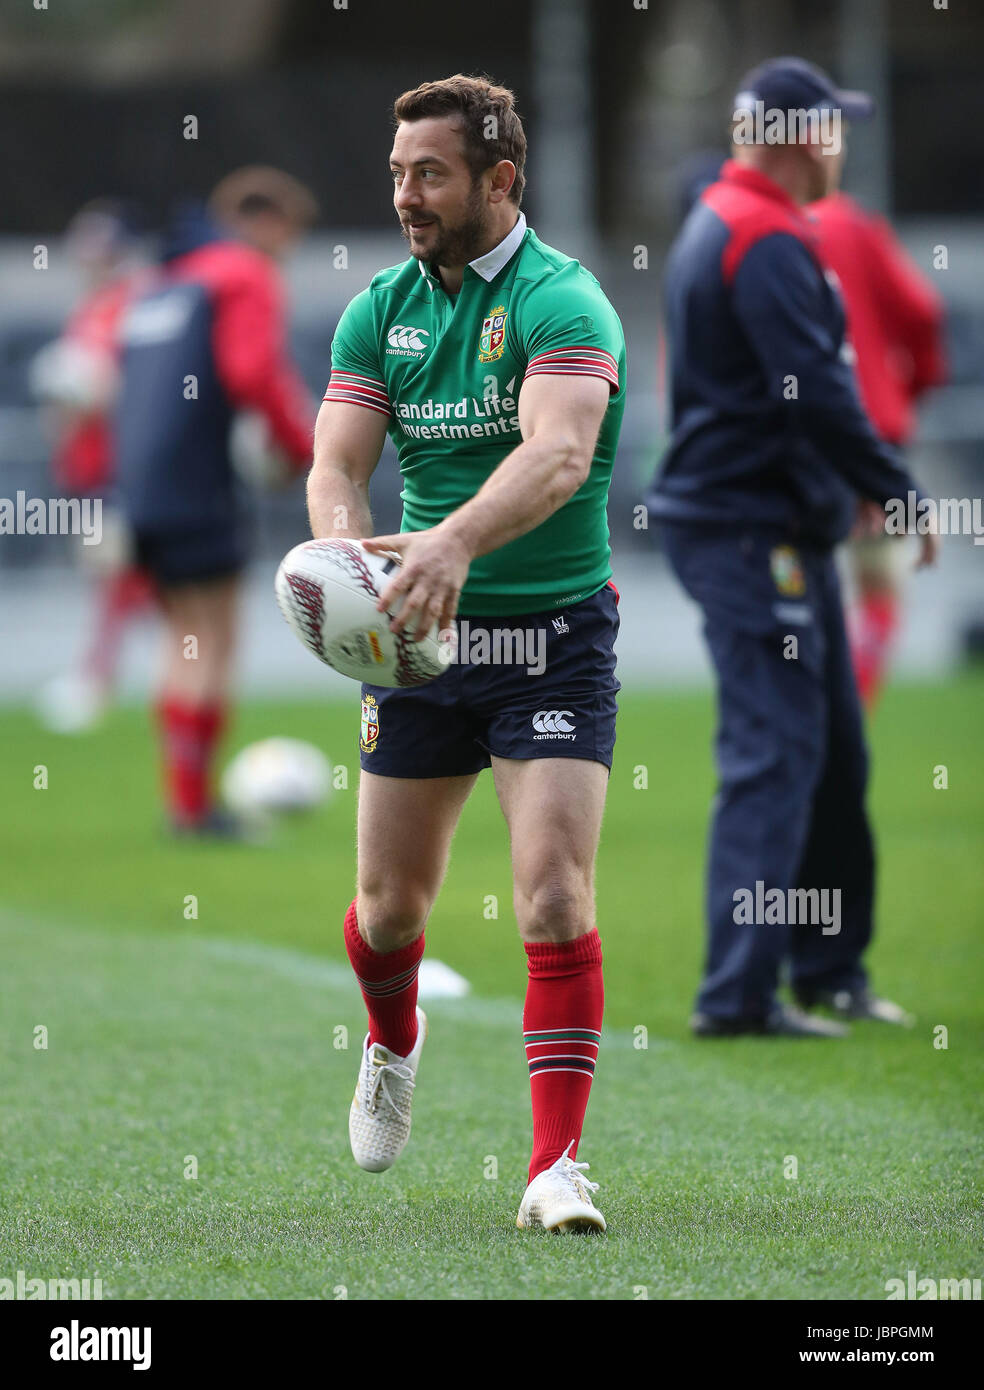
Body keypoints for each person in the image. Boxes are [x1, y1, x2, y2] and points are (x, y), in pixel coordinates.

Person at [306, 75, 626, 1232]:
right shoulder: (377, 309)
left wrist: (447, 542)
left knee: (551, 892)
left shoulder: (565, 300)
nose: (405, 195)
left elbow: (556, 457)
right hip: (420, 645)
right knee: (389, 912)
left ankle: (556, 1167)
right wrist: (354, 573)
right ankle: (394, 1039)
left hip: (551, 639)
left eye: (429, 173)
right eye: (397, 173)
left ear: (500, 179)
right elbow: (337, 469)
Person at [646, 57, 938, 1038]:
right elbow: (812, 389)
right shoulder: (762, 234)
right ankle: (737, 994)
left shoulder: (735, 220)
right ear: (802, 136)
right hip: (747, 529)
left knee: (833, 752)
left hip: (774, 525)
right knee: (776, 750)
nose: (843, 144)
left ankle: (828, 967)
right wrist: (897, 491)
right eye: (836, 127)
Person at [114, 168, 317, 836]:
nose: (287, 252)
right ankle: (194, 810)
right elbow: (253, 371)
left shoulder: (159, 285)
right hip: (197, 483)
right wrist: (307, 451)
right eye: (289, 236)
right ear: (267, 223)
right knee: (214, 641)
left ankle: (184, 800)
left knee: (183, 643)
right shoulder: (243, 272)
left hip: (139, 490)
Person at [808, 182, 946, 707]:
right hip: (874, 436)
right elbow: (923, 312)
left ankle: (819, 705)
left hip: (803, 438)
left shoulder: (756, 227)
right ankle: (849, 708)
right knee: (877, 587)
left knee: (799, 581)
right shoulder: (854, 225)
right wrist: (907, 391)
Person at [32, 199, 156, 733]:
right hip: (84, 469)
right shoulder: (90, 308)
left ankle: (97, 678)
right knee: (119, 576)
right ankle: (160, 665)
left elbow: (130, 386)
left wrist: (90, 389)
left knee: (120, 573)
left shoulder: (137, 303)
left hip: (120, 469)